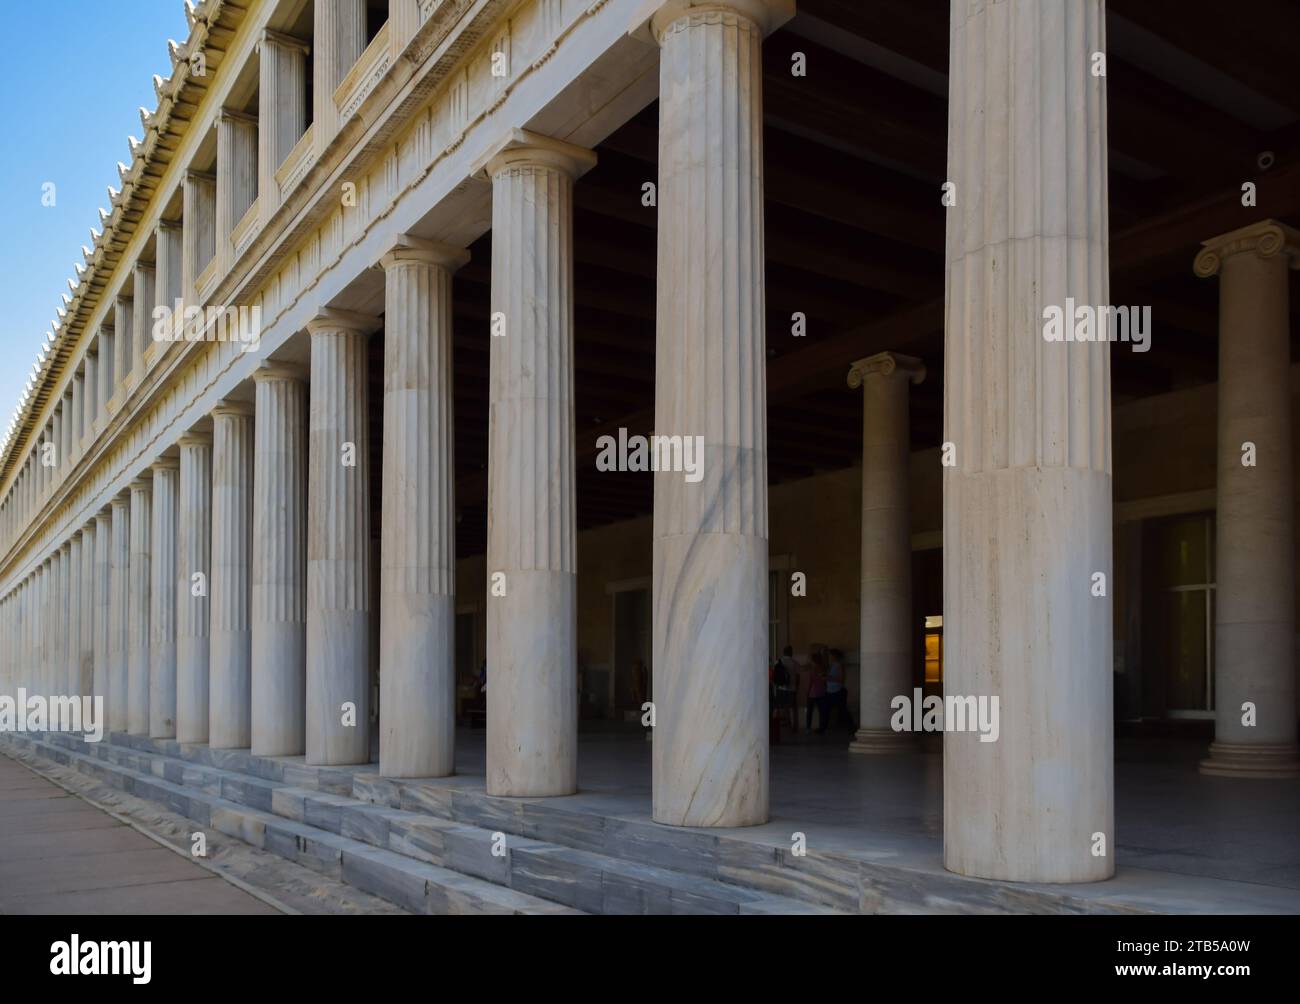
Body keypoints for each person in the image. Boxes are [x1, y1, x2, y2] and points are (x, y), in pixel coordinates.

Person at [826, 648, 855, 734]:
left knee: (843, 710)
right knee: (828, 709)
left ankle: (851, 727)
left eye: (831, 655)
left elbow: (841, 679)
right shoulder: (831, 665)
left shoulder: (839, 665)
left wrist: (830, 678)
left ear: (834, 656)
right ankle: (827, 727)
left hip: (837, 691)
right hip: (830, 691)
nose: (829, 657)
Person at [772, 645, 798, 733]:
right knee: (792, 708)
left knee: (778, 707)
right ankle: (793, 727)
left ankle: (774, 727)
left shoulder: (779, 661)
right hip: (792, 689)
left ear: (783, 652)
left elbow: (774, 675)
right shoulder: (794, 662)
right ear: (791, 652)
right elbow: (799, 673)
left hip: (781, 688)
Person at [806, 651, 828, 733]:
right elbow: (825, 681)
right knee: (822, 711)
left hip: (812, 693)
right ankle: (822, 728)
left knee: (810, 711)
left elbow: (811, 682)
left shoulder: (813, 669)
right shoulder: (823, 668)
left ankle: (808, 728)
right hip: (821, 692)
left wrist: (807, 691)